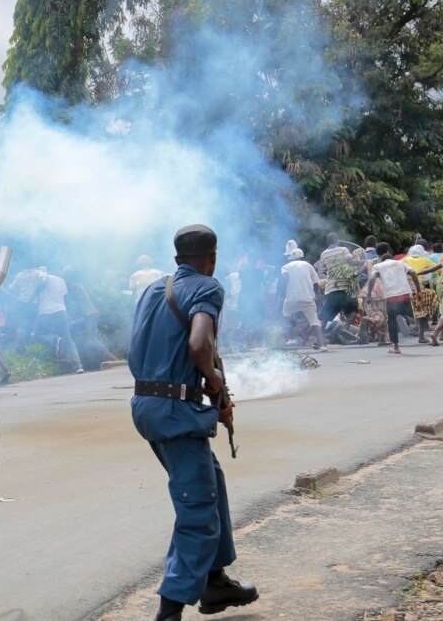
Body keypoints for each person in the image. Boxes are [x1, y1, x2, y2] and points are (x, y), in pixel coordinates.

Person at [129, 224, 258, 621]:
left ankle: (214, 581)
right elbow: (199, 345)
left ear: (176, 259)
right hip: (174, 412)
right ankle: (169, 611)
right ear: (212, 258)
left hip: (145, 404)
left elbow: (140, 347)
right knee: (198, 508)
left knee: (210, 483)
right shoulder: (208, 287)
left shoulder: (153, 289)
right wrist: (218, 387)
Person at [364, 243, 422, 353]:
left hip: (391, 297)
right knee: (413, 313)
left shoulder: (378, 266)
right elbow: (413, 273)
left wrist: (369, 294)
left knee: (392, 321)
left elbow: (372, 278)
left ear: (382, 260)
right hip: (404, 294)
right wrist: (419, 291)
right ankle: (417, 325)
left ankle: (396, 347)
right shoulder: (401, 263)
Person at [34, 272, 85, 374]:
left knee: (37, 334)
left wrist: (34, 295)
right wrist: (67, 313)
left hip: (46, 312)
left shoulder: (43, 275)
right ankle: (78, 365)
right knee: (68, 338)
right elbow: (64, 299)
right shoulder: (61, 281)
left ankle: (55, 340)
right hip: (61, 312)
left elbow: (43, 281)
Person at [280, 248, 324, 350]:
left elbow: (284, 279)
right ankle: (322, 345)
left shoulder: (286, 266)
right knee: (315, 321)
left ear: (291, 258)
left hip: (291, 297)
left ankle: (290, 339)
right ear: (302, 257)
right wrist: (315, 295)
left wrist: (283, 295)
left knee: (286, 316)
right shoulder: (308, 265)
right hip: (307, 298)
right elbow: (316, 284)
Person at [315, 233, 356, 326]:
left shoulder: (323, 254)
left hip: (332, 288)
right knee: (352, 310)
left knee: (326, 315)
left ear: (327, 242)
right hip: (346, 287)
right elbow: (350, 261)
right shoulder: (344, 250)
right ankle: (346, 329)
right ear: (338, 240)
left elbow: (324, 272)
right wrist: (362, 263)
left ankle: (320, 336)